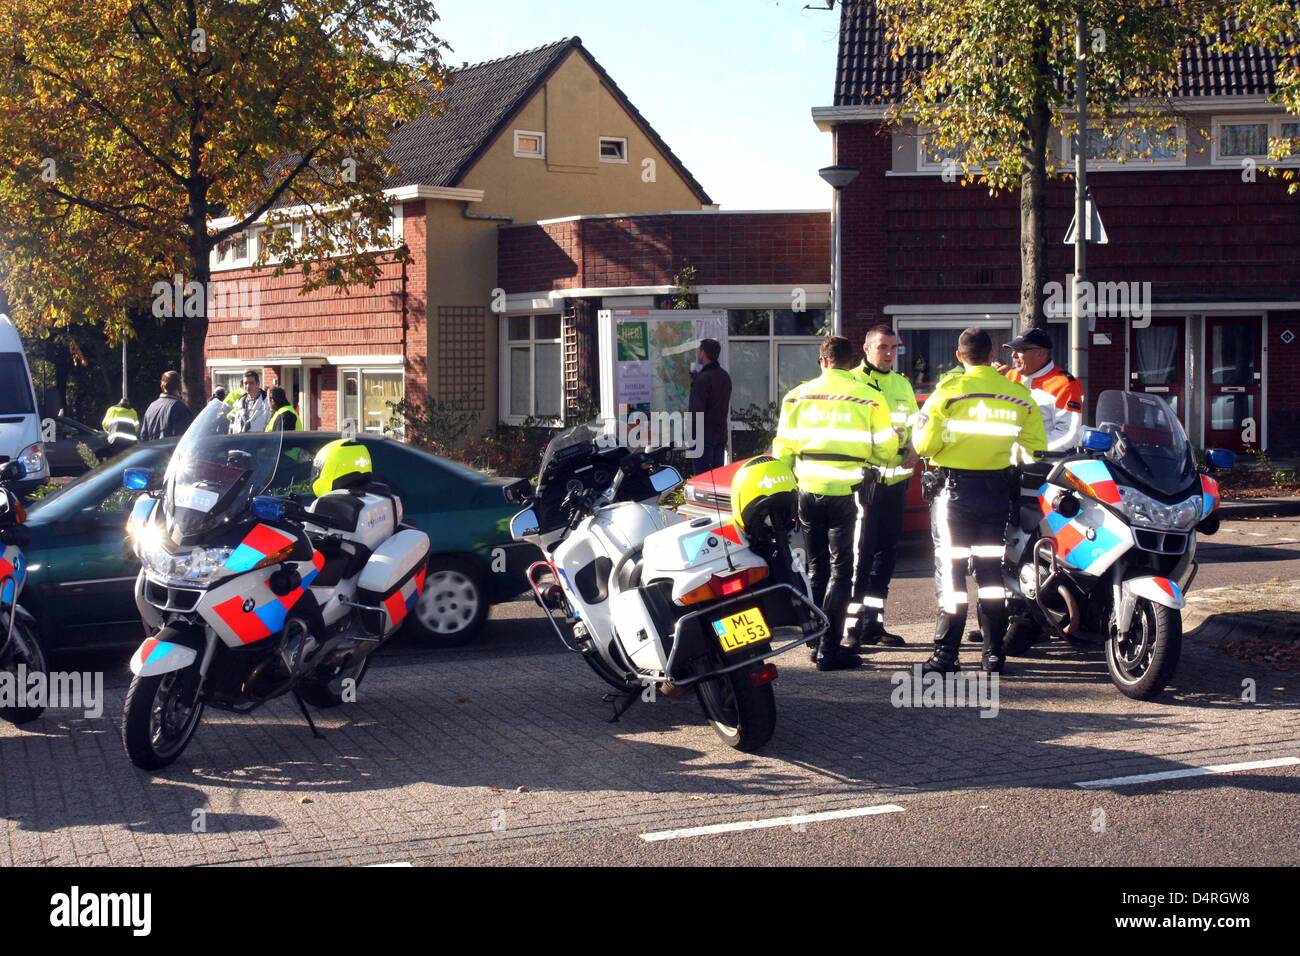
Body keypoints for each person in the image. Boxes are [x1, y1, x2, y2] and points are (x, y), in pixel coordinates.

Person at [913, 327, 1046, 675]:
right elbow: (1034, 449)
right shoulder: (1017, 394)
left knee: (952, 574)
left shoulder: (949, 392)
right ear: (991, 356)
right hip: (997, 492)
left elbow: (924, 446)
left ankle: (945, 656)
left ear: (959, 356)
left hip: (954, 494)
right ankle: (993, 654)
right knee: (990, 574)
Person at [773, 335, 898, 671]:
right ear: (850, 361)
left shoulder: (796, 396)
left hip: (808, 491)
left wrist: (788, 492)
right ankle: (830, 648)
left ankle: (814, 640)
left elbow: (782, 450)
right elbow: (886, 449)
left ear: (823, 360)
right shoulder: (870, 398)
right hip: (849, 494)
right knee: (842, 571)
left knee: (816, 569)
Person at [845, 325, 920, 648]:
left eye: (893, 348)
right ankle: (849, 629)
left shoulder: (902, 384)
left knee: (885, 555)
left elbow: (917, 425)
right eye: (882, 348)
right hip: (864, 485)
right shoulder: (852, 383)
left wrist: (916, 450)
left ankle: (874, 623)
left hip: (895, 484)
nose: (889, 354)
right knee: (858, 557)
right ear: (866, 348)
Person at [998, 327, 1084, 452]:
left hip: (1042, 463)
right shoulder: (1010, 376)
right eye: (1013, 350)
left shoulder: (1065, 384)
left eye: (1020, 350)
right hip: (1005, 460)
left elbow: (1068, 434)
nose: (1013, 355)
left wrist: (1030, 450)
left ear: (1041, 353)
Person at [688, 338, 732, 475]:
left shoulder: (703, 379)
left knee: (702, 480)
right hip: (720, 434)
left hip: (703, 437)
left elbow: (697, 411)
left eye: (699, 351)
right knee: (716, 479)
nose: (698, 354)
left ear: (703, 353)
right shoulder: (725, 376)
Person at [140, 370, 194, 441]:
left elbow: (144, 437)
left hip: (153, 450)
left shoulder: (151, 407)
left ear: (162, 387)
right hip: (171, 451)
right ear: (180, 387)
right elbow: (185, 439)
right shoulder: (180, 408)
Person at [230, 369, 270, 433]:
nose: (248, 386)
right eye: (245, 383)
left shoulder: (267, 403)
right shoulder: (239, 403)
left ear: (258, 384)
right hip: (240, 440)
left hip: (259, 441)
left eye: (251, 383)